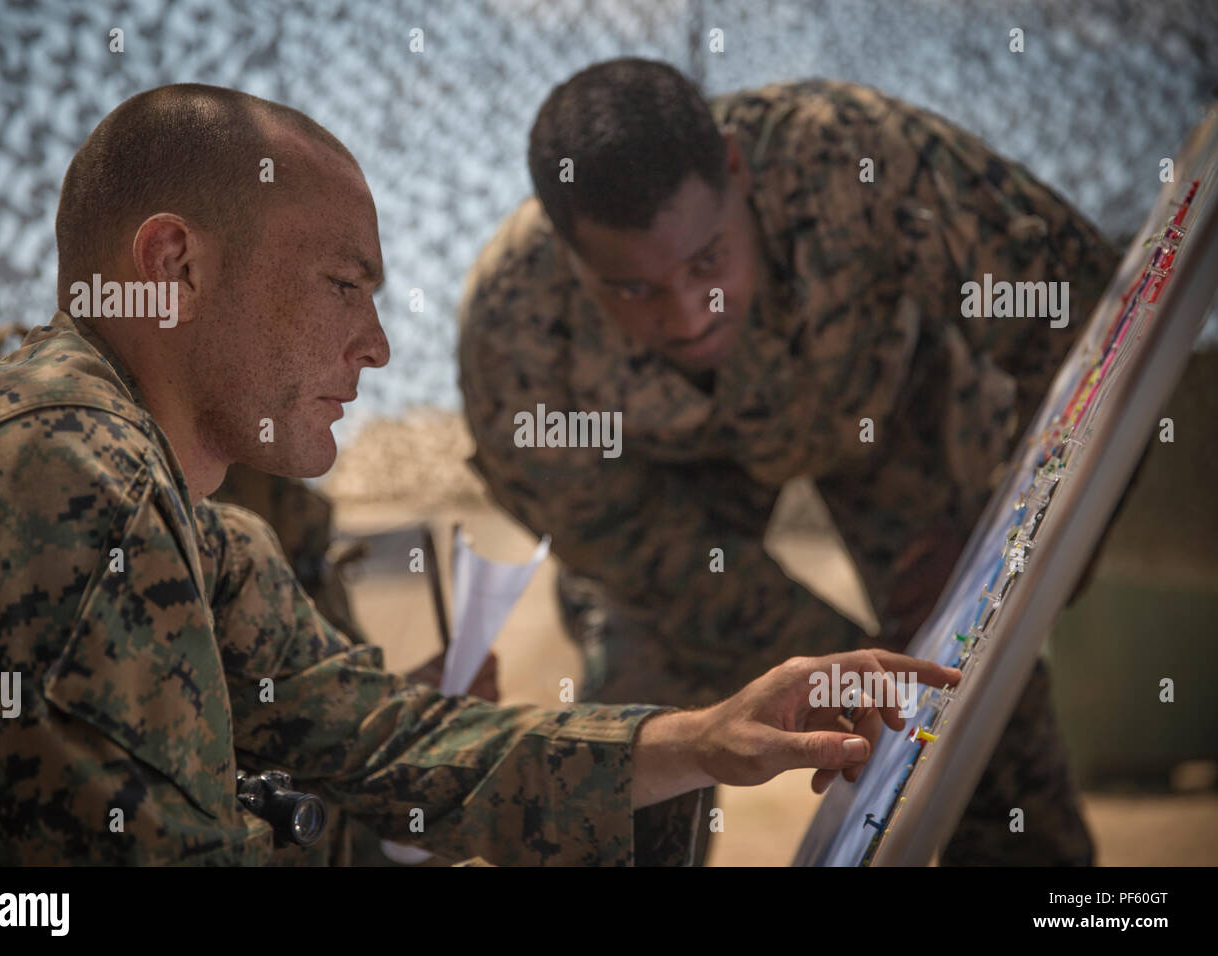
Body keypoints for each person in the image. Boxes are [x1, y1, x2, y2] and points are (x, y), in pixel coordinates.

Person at [0, 83, 957, 865]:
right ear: (174, 266)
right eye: (341, 285)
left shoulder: (208, 533)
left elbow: (390, 739)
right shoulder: (54, 461)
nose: (374, 346)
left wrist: (707, 736)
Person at [458, 58, 1118, 865]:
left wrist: (999, 538)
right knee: (635, 716)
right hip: (672, 482)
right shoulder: (510, 335)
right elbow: (645, 554)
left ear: (735, 168)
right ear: (566, 251)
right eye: (632, 289)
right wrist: (838, 675)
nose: (686, 316)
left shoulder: (850, 156)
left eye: (707, 260)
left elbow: (1082, 315)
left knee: (975, 695)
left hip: (890, 407)